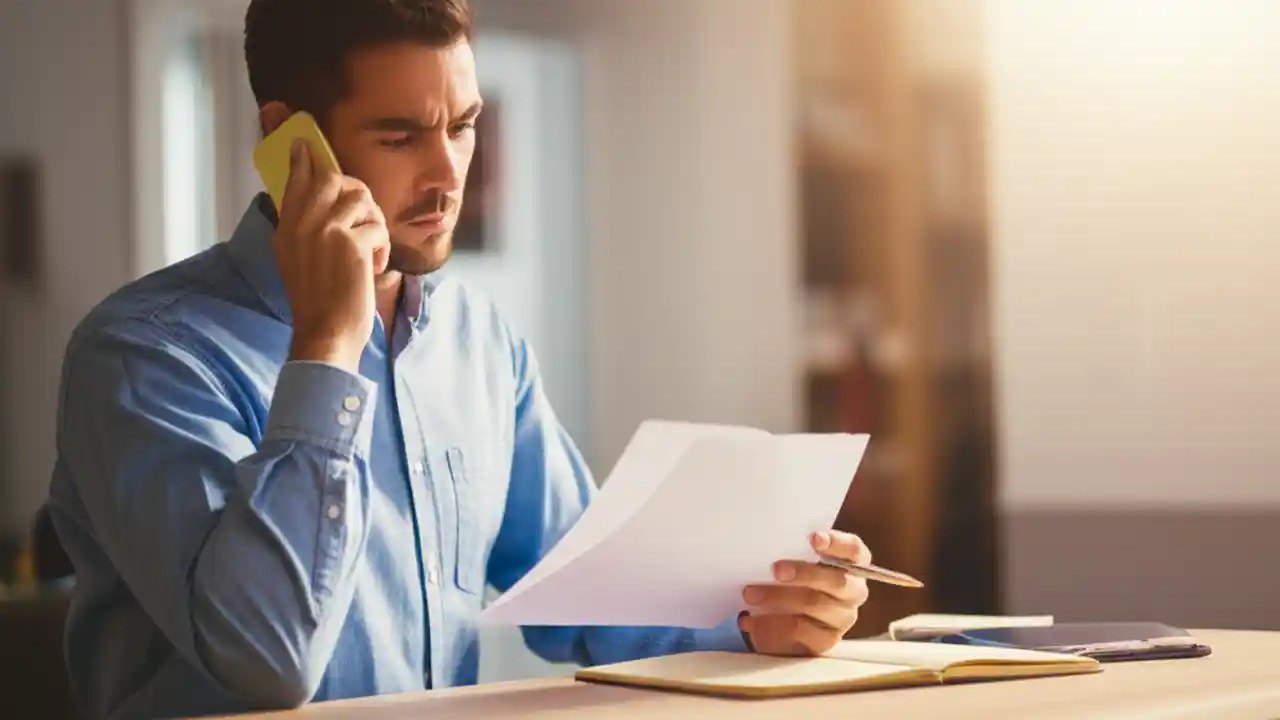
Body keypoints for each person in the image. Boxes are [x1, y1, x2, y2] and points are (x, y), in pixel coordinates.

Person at [46, 1, 873, 717]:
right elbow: (265, 660)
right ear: (288, 140)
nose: (450, 176)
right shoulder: (143, 355)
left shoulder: (479, 344)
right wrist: (329, 348)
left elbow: (587, 595)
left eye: (465, 126)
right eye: (401, 134)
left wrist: (761, 616)